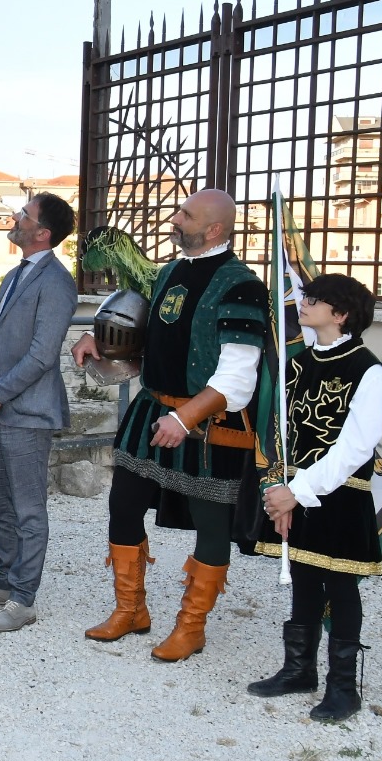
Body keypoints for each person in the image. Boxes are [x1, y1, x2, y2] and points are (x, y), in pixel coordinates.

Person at [73, 188, 267, 661]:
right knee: (123, 507)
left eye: (186, 215)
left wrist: (184, 418)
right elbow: (155, 345)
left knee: (210, 524)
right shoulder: (170, 274)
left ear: (214, 229)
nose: (174, 220)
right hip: (152, 411)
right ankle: (131, 610)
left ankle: (191, 627)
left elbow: (239, 376)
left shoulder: (241, 285)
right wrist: (97, 343)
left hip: (208, 425)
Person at [248, 274, 382, 722]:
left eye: (313, 299)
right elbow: (280, 432)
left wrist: (299, 492)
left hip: (339, 497)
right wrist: (277, 486)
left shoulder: (369, 371)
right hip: (294, 490)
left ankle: (343, 688)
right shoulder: (296, 363)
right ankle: (298, 670)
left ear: (341, 314)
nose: (303, 303)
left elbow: (354, 449)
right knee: (304, 577)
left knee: (341, 586)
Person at [0, 194, 78, 633]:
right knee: (0, 502)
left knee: (28, 509)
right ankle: (2, 581)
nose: (15, 218)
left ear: (42, 232)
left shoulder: (57, 283)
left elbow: (42, 356)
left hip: (25, 412)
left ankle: (24, 600)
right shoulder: (14, 274)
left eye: (24, 215)